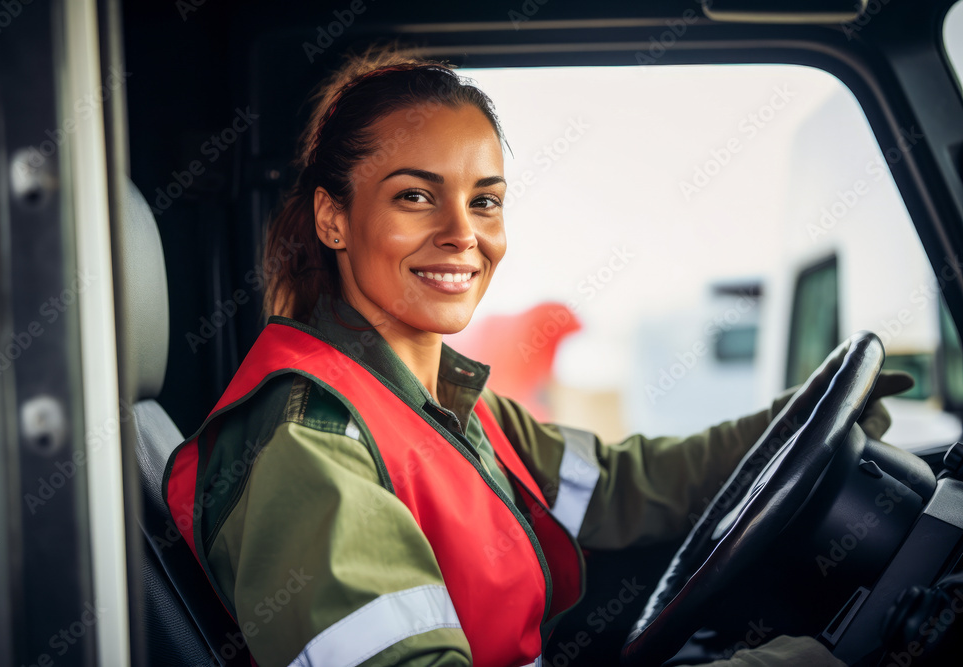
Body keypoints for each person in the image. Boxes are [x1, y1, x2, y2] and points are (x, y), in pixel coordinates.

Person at [163, 47, 910, 667]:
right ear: (334, 217)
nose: (463, 233)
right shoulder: (310, 442)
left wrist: (803, 417)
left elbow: (620, 483)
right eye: (416, 197)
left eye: (484, 200)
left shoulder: (448, 402)